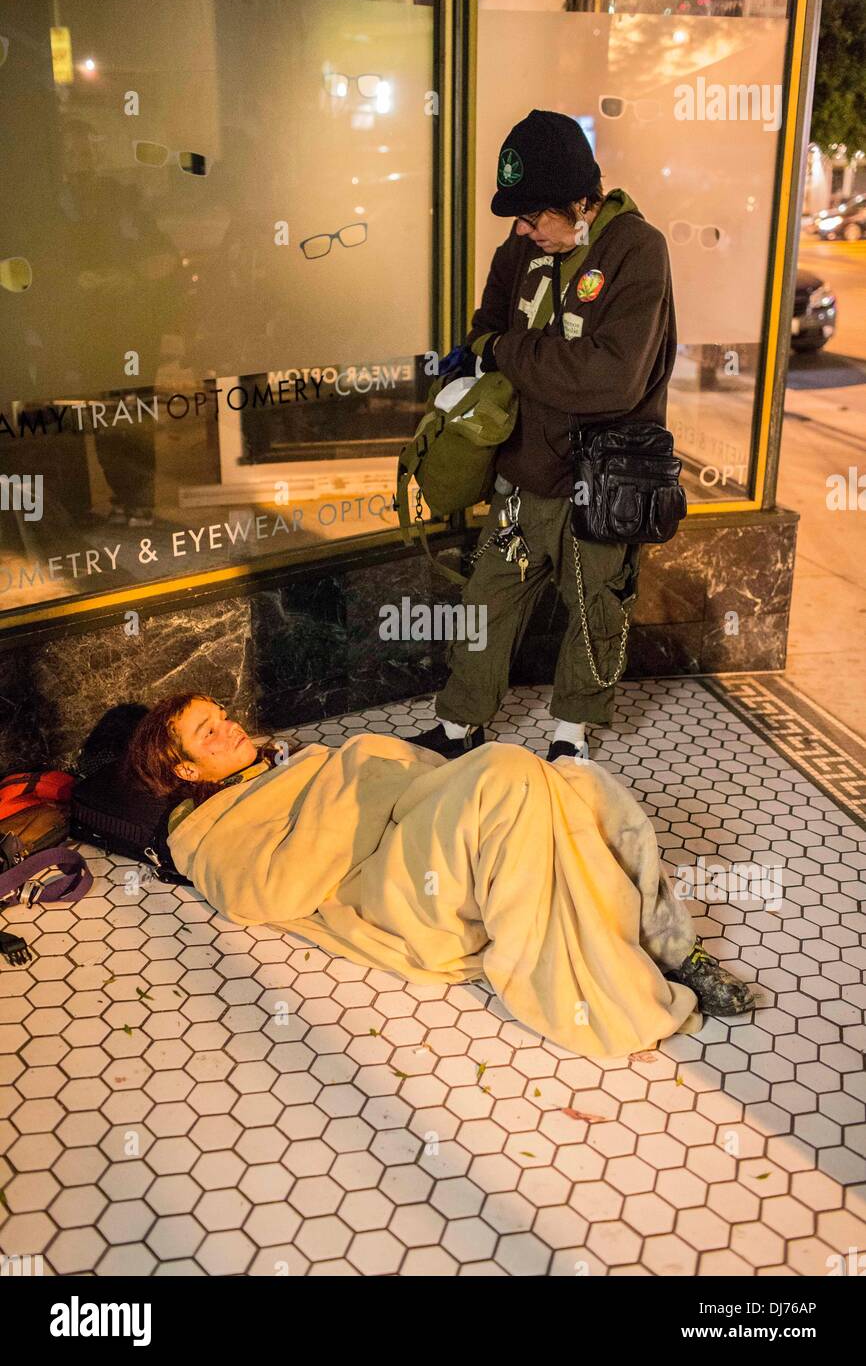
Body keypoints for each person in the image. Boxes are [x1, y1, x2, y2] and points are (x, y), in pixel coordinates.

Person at [126, 692, 756, 1059]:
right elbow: (264, 893)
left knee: (580, 783)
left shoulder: (297, 759)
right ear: (184, 771)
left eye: (222, 714)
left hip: (413, 833)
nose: (229, 726)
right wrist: (353, 784)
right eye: (207, 732)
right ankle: (603, 984)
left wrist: (360, 772)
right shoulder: (203, 832)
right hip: (388, 889)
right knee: (507, 771)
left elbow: (405, 774)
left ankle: (673, 946)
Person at [409, 109, 676, 765]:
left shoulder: (636, 250)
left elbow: (612, 379)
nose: (522, 231)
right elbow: (482, 329)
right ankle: (457, 727)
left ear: (577, 201)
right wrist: (497, 349)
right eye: (519, 219)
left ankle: (570, 739)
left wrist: (510, 350)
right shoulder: (522, 248)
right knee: (488, 601)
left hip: (600, 483)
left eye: (533, 217)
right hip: (523, 474)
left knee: (595, 612)